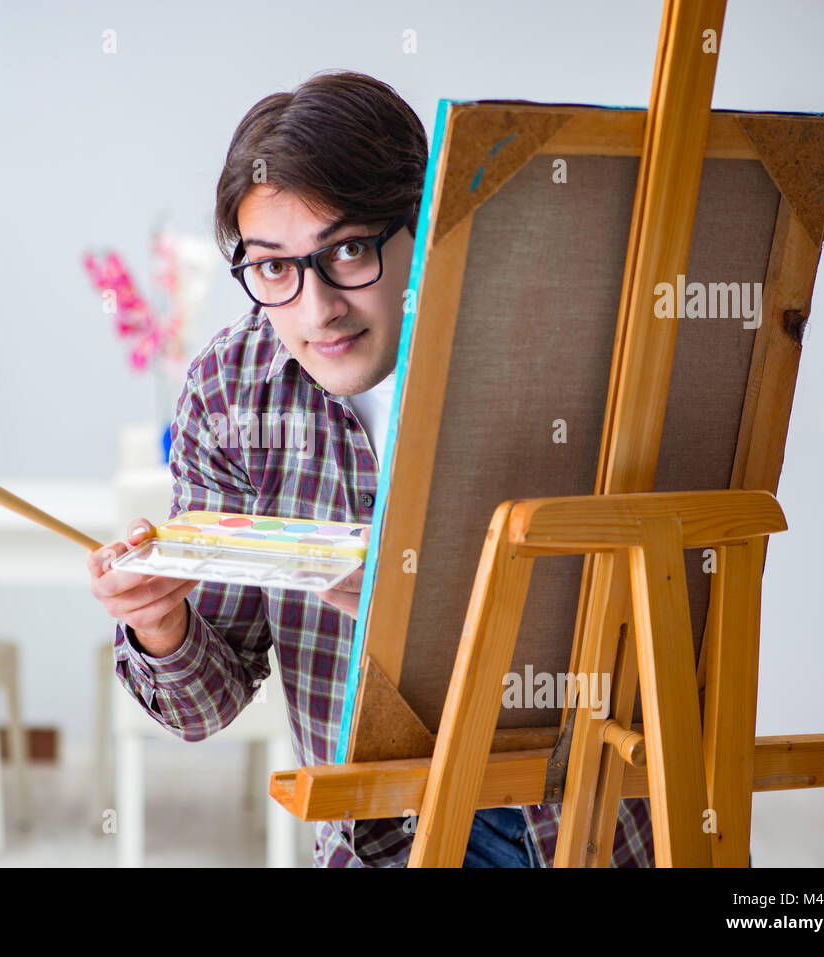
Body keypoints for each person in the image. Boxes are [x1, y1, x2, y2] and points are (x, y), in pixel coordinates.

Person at [87, 69, 654, 868]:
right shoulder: (230, 389)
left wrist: (423, 616)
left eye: (349, 250)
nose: (318, 310)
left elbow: (645, 620)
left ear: (421, 227)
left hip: (574, 816)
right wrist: (159, 622)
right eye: (274, 267)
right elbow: (208, 705)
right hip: (382, 835)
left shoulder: (544, 347)